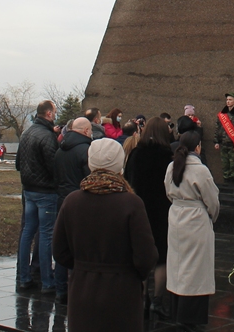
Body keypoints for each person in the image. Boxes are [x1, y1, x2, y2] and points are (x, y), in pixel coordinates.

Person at [53, 138, 157, 332]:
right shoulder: (132, 203)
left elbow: (60, 251)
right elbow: (146, 256)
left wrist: (84, 269)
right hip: (122, 293)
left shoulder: (72, 201)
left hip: (82, 292)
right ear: (119, 164)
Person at [165, 130, 220, 331]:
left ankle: (176, 310)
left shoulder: (172, 166)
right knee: (196, 269)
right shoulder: (201, 170)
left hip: (176, 215)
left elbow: (168, 191)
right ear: (197, 147)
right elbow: (212, 200)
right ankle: (190, 316)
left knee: (177, 264)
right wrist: (210, 216)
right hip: (196, 219)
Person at [125, 117, 174, 319]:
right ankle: (157, 300)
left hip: (139, 209)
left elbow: (127, 180)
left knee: (141, 255)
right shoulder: (168, 156)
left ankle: (142, 298)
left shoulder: (136, 154)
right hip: (162, 211)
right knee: (162, 257)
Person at [15, 100, 60, 293]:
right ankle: (47, 281)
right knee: (46, 234)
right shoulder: (47, 136)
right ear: (49, 113)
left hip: (28, 190)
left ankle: (24, 277)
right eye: (54, 112)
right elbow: (53, 166)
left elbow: (18, 163)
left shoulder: (26, 133)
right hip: (46, 192)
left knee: (27, 232)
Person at [53, 116, 93, 303]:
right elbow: (89, 179)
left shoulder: (60, 150)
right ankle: (77, 290)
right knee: (79, 247)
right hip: (81, 203)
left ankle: (60, 289)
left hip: (62, 200)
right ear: (86, 131)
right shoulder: (86, 151)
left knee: (63, 246)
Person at [213, 93, 234, 181]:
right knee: (225, 165)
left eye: (230, 100)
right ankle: (226, 181)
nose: (228, 101)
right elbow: (218, 128)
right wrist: (216, 141)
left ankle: (233, 183)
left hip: (233, 144)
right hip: (223, 143)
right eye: (227, 100)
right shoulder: (222, 114)